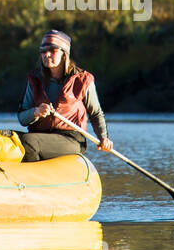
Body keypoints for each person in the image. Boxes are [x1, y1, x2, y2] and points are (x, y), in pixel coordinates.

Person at [18, 29, 113, 162]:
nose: (47, 55)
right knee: (8, 138)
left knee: (27, 141)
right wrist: (36, 112)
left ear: (64, 53)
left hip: (71, 139)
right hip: (39, 136)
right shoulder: (34, 79)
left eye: (53, 51)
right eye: (43, 51)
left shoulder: (83, 79)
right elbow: (22, 118)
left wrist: (103, 138)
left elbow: (96, 113)